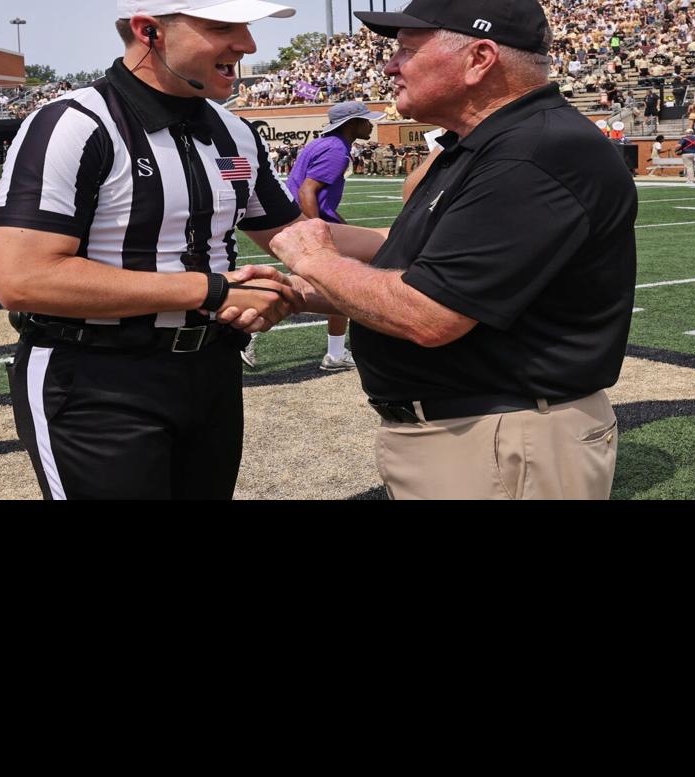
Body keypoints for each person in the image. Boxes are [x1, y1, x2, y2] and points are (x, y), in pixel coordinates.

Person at [266, 0, 636, 500]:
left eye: (407, 51)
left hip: (499, 437)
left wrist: (314, 261)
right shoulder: (486, 143)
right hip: (481, 434)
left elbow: (430, 314)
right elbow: (408, 257)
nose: (390, 66)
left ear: (479, 58)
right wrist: (291, 285)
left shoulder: (534, 152)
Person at [0, 0, 307, 500]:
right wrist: (213, 290)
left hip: (211, 370)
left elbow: (298, 238)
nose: (247, 45)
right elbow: (24, 279)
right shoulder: (74, 123)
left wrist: (424, 239)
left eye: (246, 27)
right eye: (222, 27)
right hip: (97, 377)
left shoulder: (233, 131)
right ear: (149, 31)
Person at [249, 99, 384, 372]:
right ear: (352, 124)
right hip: (306, 223)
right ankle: (250, 326)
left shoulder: (324, 144)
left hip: (306, 219)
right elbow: (307, 191)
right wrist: (316, 233)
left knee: (341, 284)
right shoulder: (336, 150)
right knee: (344, 281)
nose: (371, 124)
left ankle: (335, 354)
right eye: (366, 119)